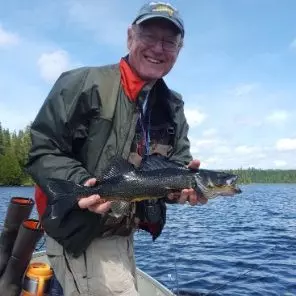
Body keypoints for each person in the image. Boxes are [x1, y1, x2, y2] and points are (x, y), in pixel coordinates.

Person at [26, 2, 208, 295]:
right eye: (149, 36)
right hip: (83, 233)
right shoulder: (84, 83)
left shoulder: (172, 106)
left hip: (122, 233)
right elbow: (43, 149)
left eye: (169, 42)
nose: (158, 48)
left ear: (179, 50)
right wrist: (82, 186)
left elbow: (177, 166)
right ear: (129, 37)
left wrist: (182, 191)